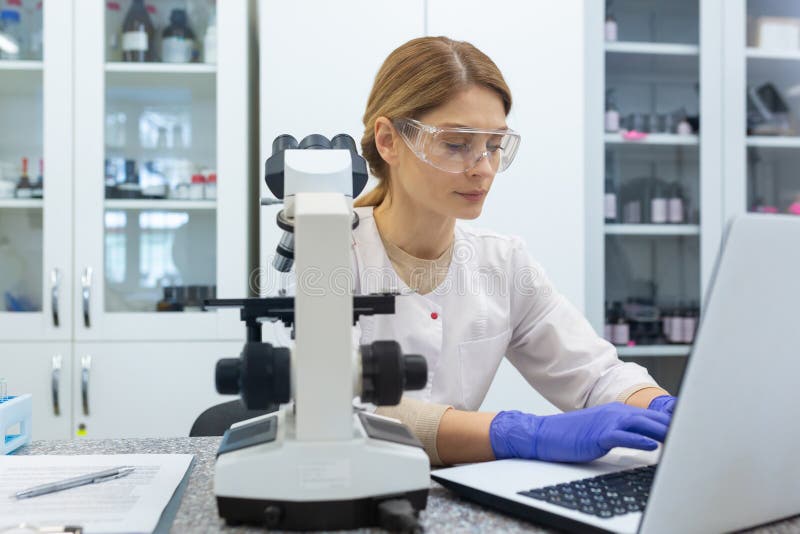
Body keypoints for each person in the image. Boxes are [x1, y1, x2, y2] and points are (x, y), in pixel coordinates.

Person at [349, 36, 676, 467]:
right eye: (455, 143)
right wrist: (518, 432)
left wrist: (662, 409)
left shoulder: (502, 264)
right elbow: (342, 412)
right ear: (389, 140)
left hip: (458, 498)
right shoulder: (323, 254)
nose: (482, 167)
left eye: (494, 145)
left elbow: (595, 374)